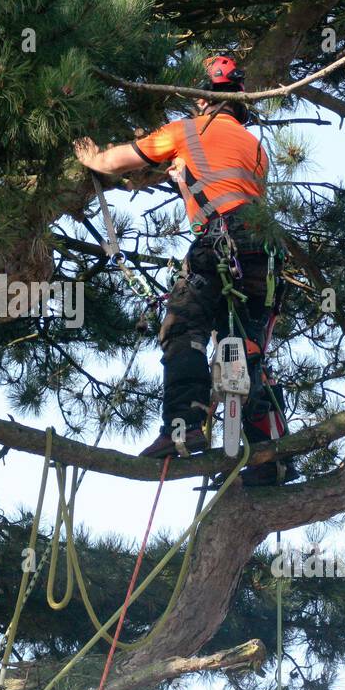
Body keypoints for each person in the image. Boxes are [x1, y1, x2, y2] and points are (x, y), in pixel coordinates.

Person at [73, 56, 292, 480]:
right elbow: (230, 186)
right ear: (240, 106)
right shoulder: (256, 148)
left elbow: (116, 163)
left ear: (201, 102)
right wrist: (182, 177)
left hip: (219, 238)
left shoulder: (185, 131)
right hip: (264, 248)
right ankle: (267, 456)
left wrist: (92, 156)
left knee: (183, 328)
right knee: (244, 347)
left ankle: (184, 427)